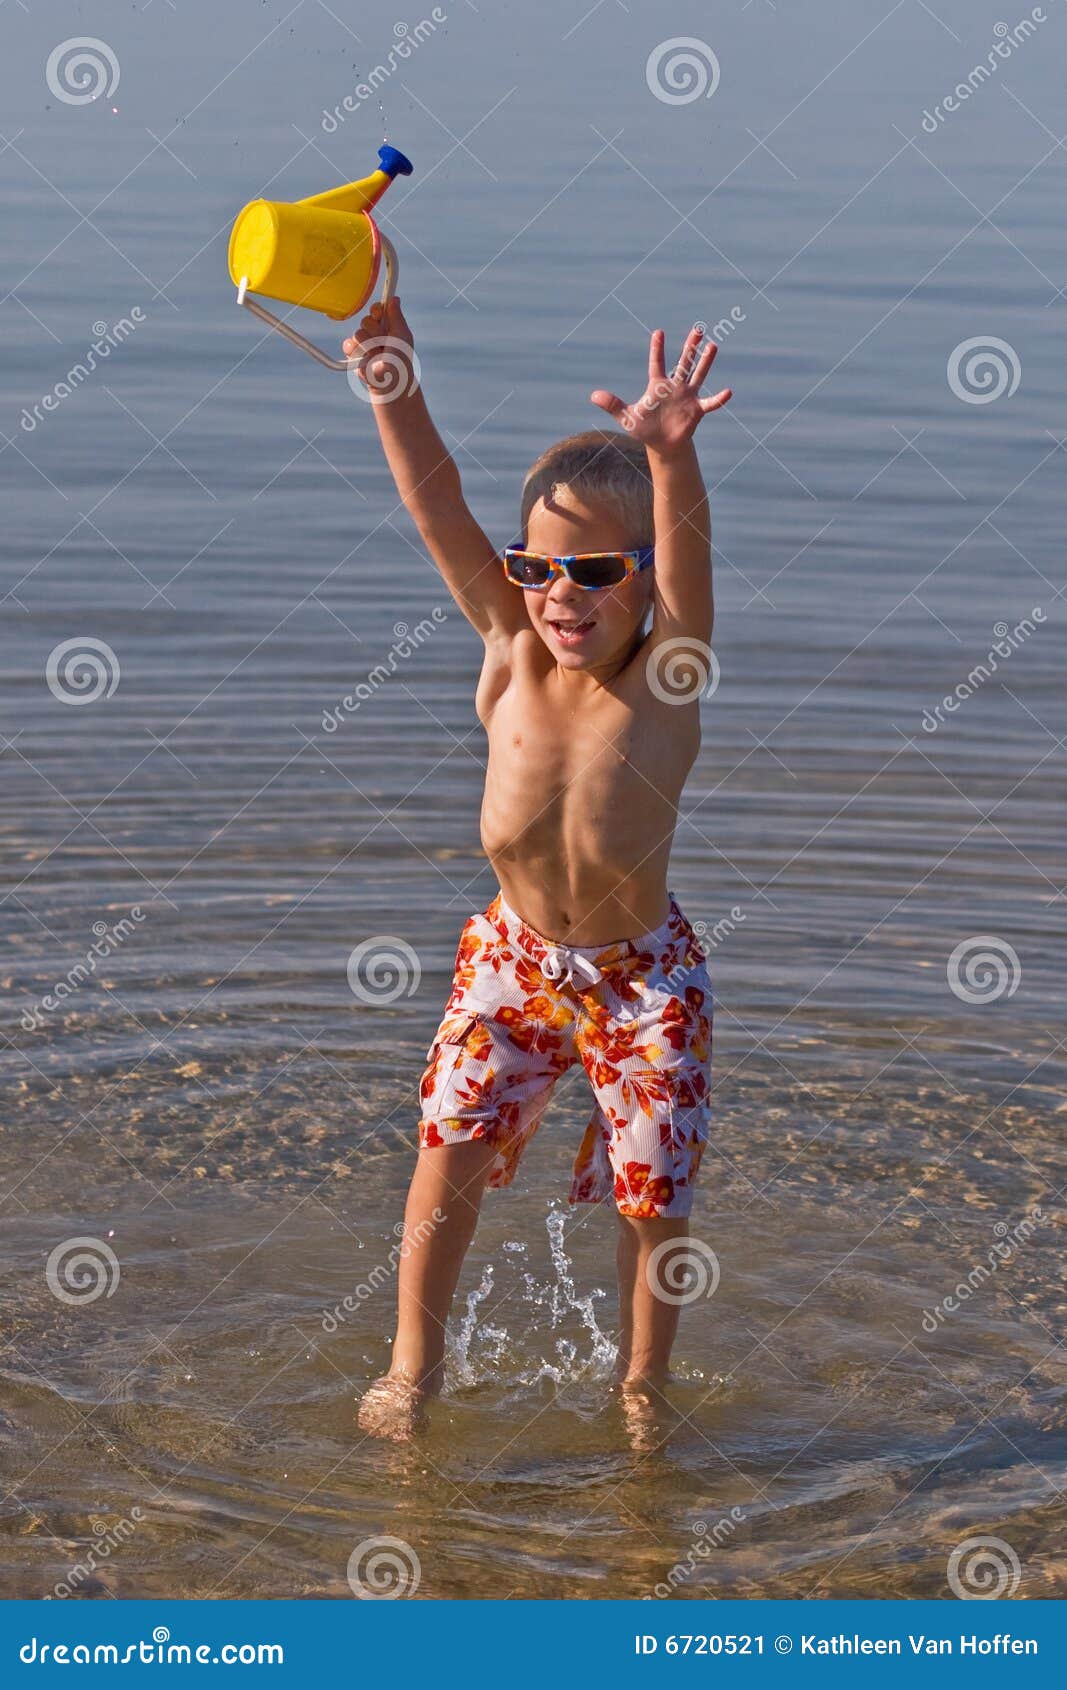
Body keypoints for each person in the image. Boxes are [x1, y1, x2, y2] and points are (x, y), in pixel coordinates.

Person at [343, 299, 731, 1438]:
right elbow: (433, 499)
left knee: (653, 1189)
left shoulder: (668, 677)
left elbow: (692, 563)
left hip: (639, 976)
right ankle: (412, 1367)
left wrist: (671, 456)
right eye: (538, 567)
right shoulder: (508, 651)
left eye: (597, 570)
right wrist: (387, 365)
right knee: (448, 1142)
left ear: (648, 579)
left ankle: (641, 1388)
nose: (560, 593)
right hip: (511, 956)